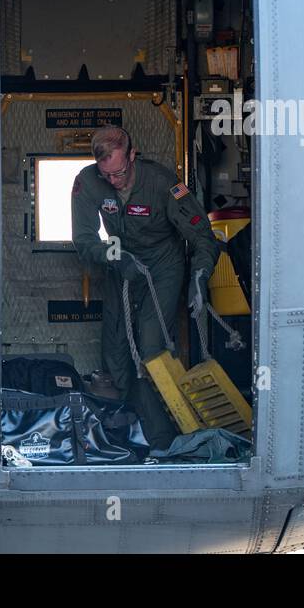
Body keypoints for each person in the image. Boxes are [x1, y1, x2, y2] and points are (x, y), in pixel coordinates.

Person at [70, 125, 222, 449]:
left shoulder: (162, 183)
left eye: (119, 172)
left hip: (162, 269)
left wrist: (200, 276)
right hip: (120, 268)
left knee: (151, 347)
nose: (114, 181)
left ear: (133, 155)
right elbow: (83, 241)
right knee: (116, 353)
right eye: (106, 175)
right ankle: (131, 436)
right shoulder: (87, 181)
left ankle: (165, 441)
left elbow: (201, 235)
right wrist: (113, 256)